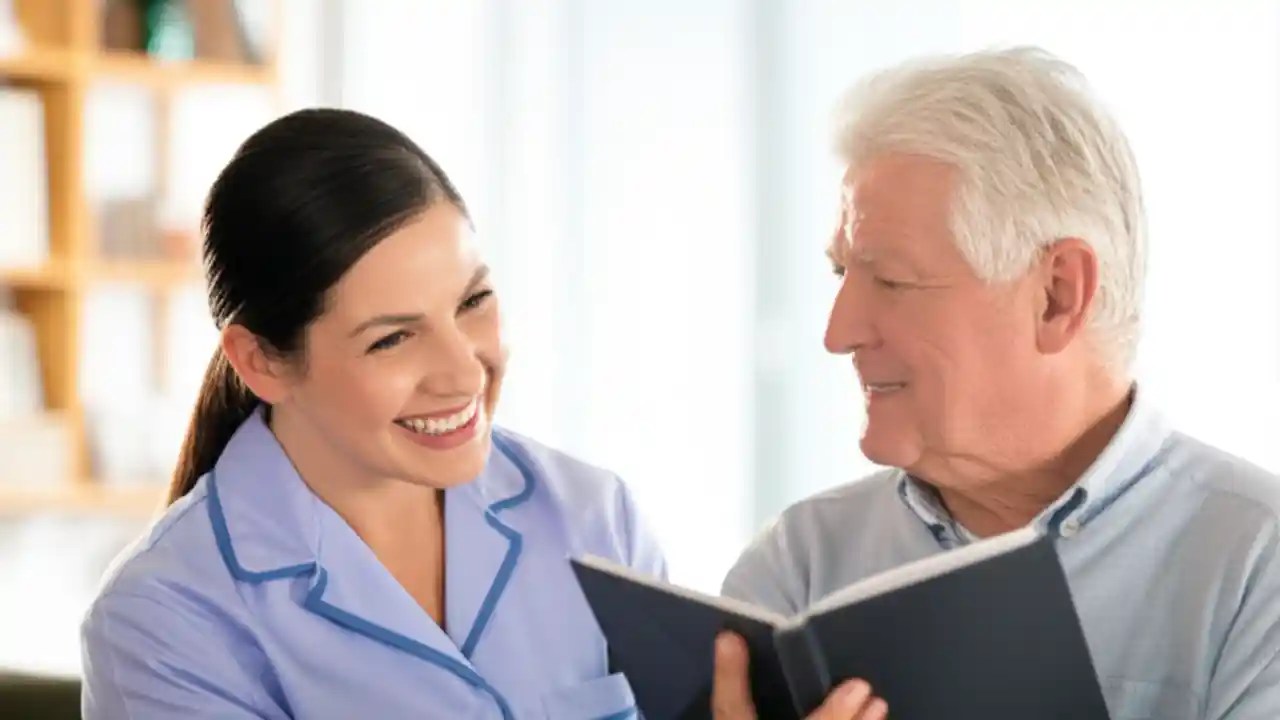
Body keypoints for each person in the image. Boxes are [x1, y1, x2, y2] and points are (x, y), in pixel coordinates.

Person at [712, 47, 1280, 719]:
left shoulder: (1256, 567)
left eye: (891, 280)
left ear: (1057, 296)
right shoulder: (798, 566)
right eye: (843, 274)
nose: (839, 333)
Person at [80, 108, 666, 719]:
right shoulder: (164, 620)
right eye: (392, 339)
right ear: (262, 361)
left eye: (473, 301)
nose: (466, 374)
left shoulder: (597, 521)